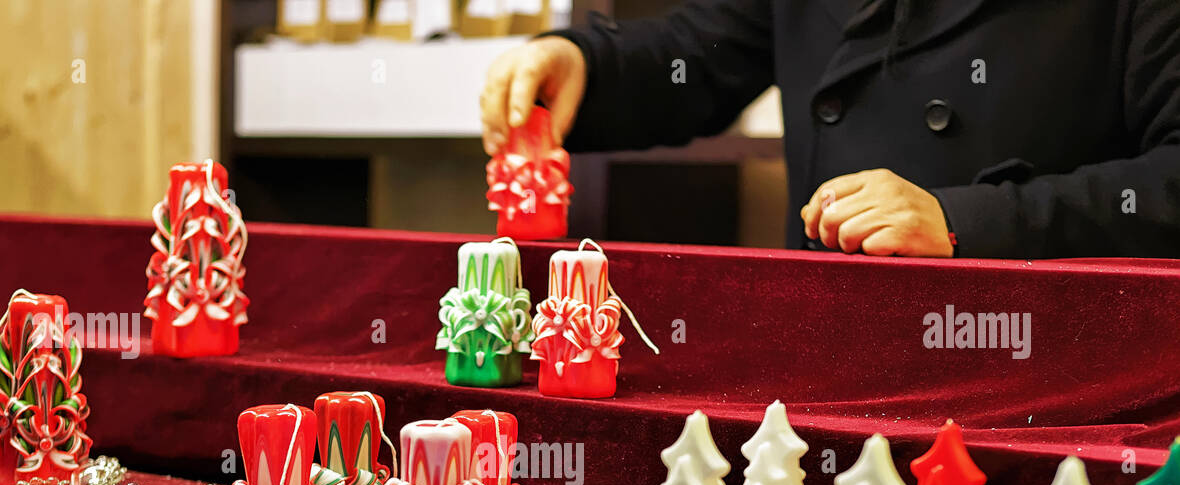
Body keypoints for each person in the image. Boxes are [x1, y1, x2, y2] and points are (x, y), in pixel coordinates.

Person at [479, 0, 1180, 259]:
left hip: (1037, 381)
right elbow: (701, 51)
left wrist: (968, 219)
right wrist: (582, 63)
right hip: (827, 356)